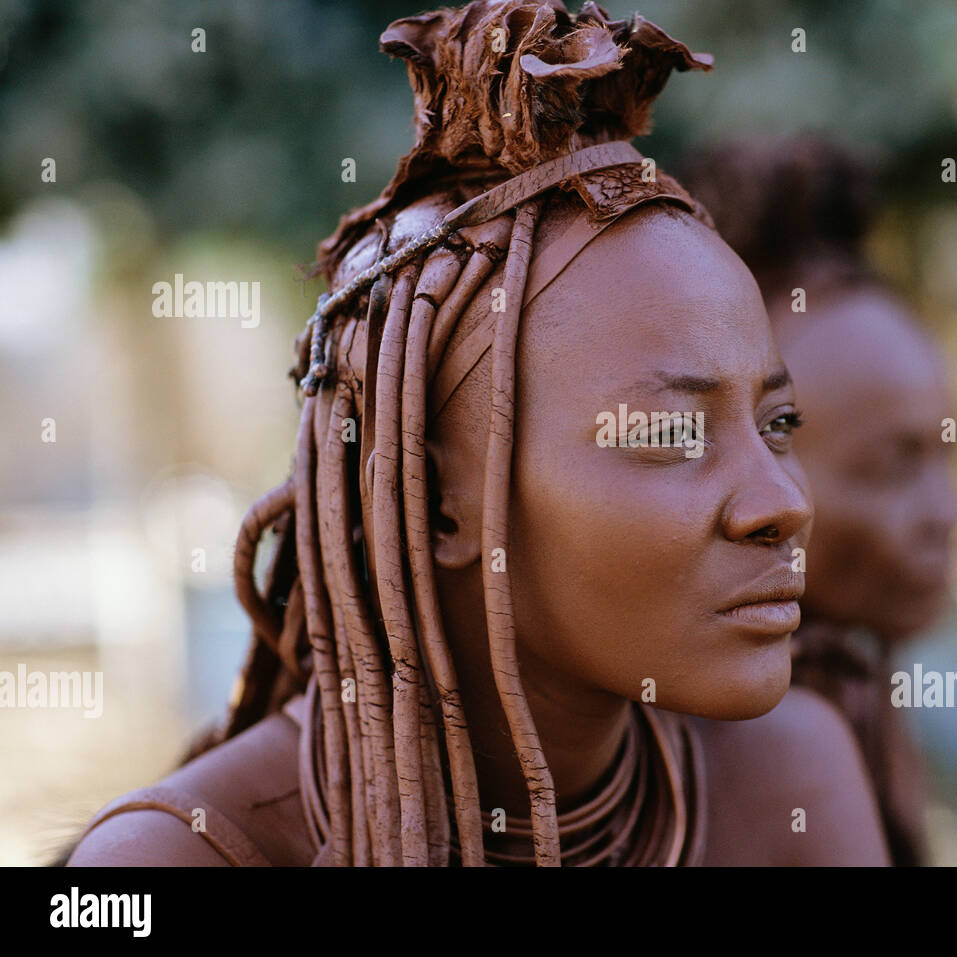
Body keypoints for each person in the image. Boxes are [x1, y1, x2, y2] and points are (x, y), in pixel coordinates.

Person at [66, 1, 888, 867]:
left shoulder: (790, 778)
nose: (784, 505)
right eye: (673, 430)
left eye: (779, 423)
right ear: (433, 498)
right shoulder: (182, 861)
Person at [680, 137, 957, 865]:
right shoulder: (770, 740)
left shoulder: (854, 696)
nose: (948, 512)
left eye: (947, 454)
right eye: (891, 466)